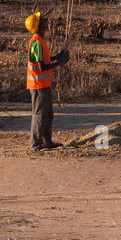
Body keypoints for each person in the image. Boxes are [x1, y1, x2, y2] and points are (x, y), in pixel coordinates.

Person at [25, 10, 69, 152]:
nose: (45, 20)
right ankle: (35, 144)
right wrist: (59, 63)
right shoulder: (37, 43)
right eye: (42, 20)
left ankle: (46, 141)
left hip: (43, 84)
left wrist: (57, 57)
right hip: (38, 85)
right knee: (40, 114)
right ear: (38, 26)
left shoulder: (40, 41)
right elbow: (42, 67)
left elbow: (44, 60)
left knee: (48, 114)